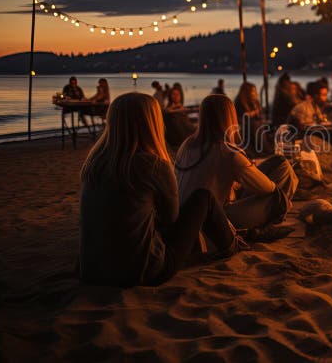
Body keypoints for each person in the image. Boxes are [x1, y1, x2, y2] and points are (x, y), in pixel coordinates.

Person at [79, 93, 246, 287]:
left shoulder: (94, 164)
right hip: (143, 271)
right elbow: (171, 218)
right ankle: (232, 245)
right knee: (204, 198)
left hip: (91, 271)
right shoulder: (153, 166)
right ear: (152, 123)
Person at [175, 95, 297, 240]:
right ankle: (262, 227)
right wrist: (281, 197)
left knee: (280, 163)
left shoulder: (187, 144)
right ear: (230, 118)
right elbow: (267, 188)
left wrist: (245, 171)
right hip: (216, 222)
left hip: (184, 219)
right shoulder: (227, 152)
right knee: (277, 192)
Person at [234, 82, 270, 155]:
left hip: (253, 122)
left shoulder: (254, 101)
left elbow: (260, 112)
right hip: (243, 124)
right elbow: (243, 115)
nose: (254, 93)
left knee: (261, 124)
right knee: (256, 125)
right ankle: (260, 149)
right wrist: (254, 112)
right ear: (247, 92)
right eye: (252, 91)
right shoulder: (240, 101)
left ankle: (263, 147)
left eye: (254, 91)